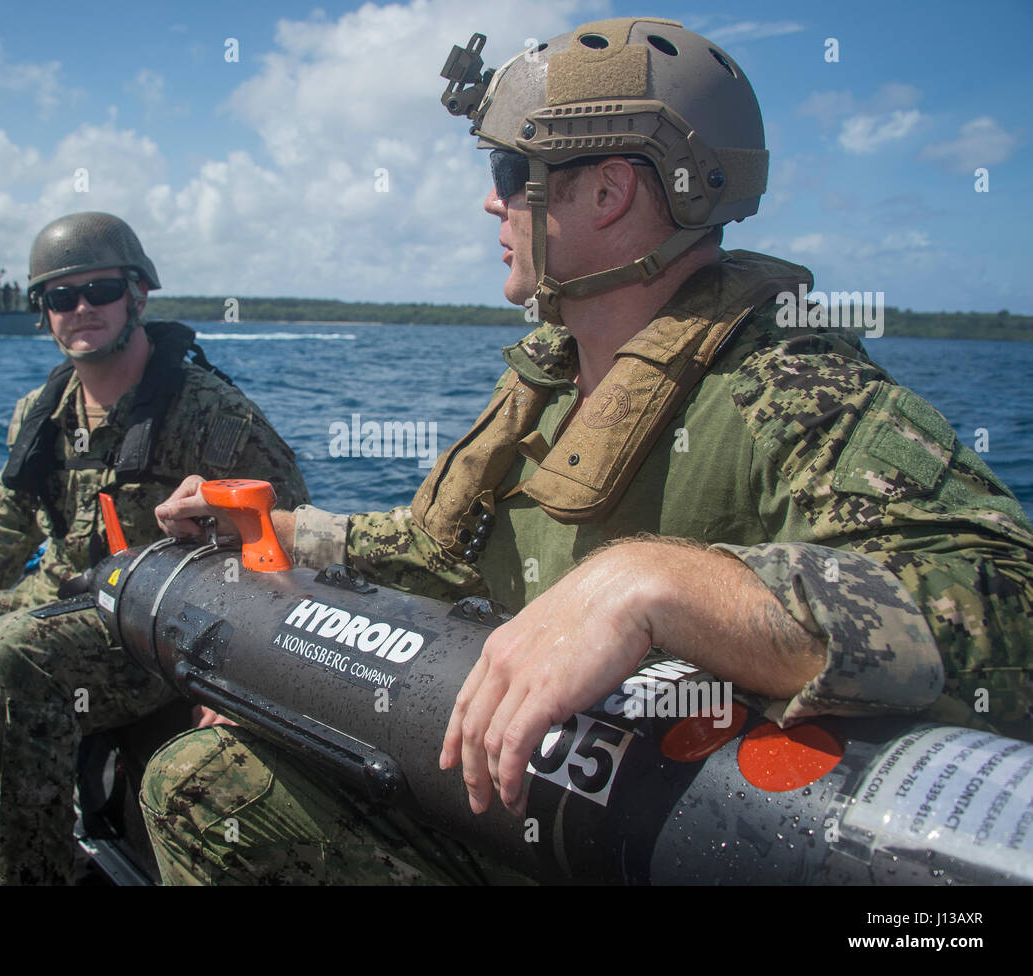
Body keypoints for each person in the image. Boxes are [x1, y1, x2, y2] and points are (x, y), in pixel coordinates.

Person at [137, 18, 1033, 885]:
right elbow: (442, 552)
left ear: (608, 193)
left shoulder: (789, 392)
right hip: (514, 791)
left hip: (663, 831)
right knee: (213, 782)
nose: (494, 199)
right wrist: (295, 533)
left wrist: (661, 585)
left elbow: (1006, 604)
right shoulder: (555, 380)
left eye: (512, 169)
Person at [0, 211, 310, 884]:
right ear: (42, 311)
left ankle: (35, 874)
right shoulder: (42, 413)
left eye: (100, 290)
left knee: (11, 659)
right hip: (53, 599)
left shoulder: (210, 414)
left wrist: (242, 676)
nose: (80, 309)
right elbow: (10, 515)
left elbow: (287, 535)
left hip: (156, 627)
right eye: (58, 296)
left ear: (138, 295)